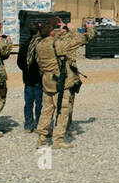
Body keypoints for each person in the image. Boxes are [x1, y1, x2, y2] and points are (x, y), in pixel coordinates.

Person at [35, 16, 96, 149]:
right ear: (52, 32)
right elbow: (83, 39)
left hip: (47, 80)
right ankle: (58, 140)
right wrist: (74, 30)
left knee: (46, 110)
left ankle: (42, 136)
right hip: (60, 82)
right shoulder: (58, 44)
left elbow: (39, 63)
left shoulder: (39, 44)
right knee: (62, 110)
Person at [17, 21, 45, 133]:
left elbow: (19, 62)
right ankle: (39, 124)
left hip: (28, 79)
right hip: (38, 78)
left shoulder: (24, 44)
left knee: (28, 103)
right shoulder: (41, 43)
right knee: (39, 103)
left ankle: (28, 125)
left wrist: (26, 70)